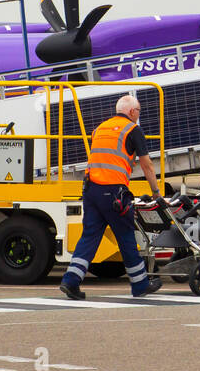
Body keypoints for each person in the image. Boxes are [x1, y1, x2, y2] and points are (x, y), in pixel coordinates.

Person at [59, 93, 163, 300]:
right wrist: (156, 192)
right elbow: (146, 165)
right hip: (114, 192)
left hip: (91, 189)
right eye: (139, 112)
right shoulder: (133, 129)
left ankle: (71, 280)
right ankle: (140, 284)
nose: (138, 116)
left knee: (90, 235)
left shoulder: (99, 128)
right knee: (125, 235)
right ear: (132, 112)